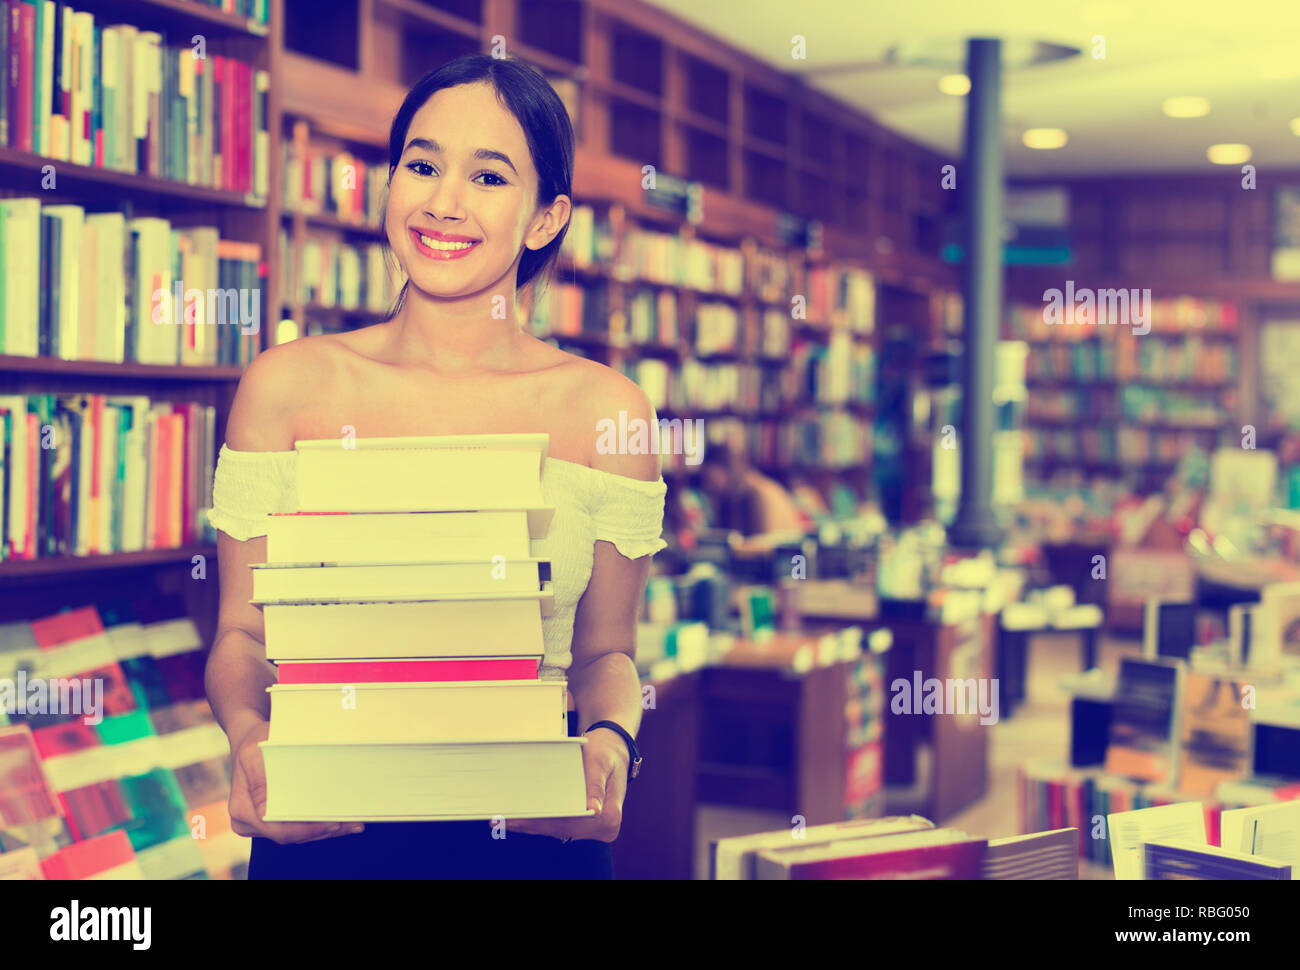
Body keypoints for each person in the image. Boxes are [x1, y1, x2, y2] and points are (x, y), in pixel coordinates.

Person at [204, 54, 666, 879]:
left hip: (529, 835)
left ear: (545, 218)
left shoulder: (609, 413)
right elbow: (242, 633)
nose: (443, 202)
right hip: (325, 829)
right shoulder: (286, 386)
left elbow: (606, 656)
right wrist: (248, 735)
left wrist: (609, 743)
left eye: (488, 177)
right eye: (421, 165)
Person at [698, 440, 811, 536]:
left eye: (710, 480)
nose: (708, 487)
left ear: (726, 470)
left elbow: (762, 546)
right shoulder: (730, 498)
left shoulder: (760, 494)